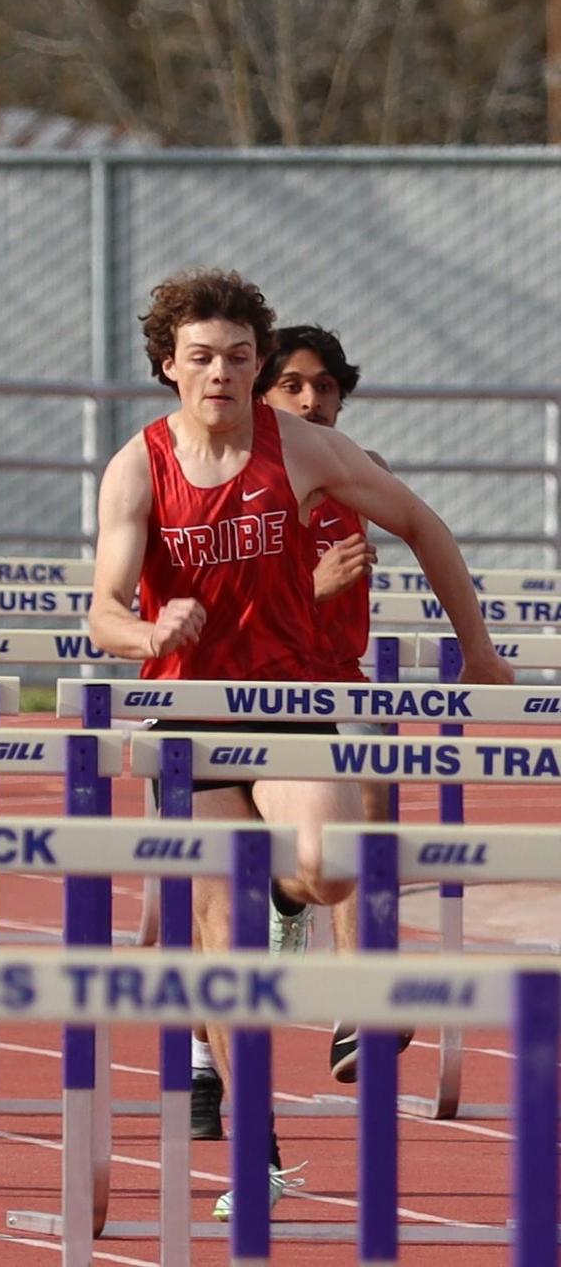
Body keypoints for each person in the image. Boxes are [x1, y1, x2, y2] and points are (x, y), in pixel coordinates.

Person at [86, 270, 510, 1219]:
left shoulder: (306, 447)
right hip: (188, 718)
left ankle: (283, 881)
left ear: (258, 364)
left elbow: (421, 523)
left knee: (328, 872)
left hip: (285, 709)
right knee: (218, 933)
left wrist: (476, 649)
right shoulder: (135, 466)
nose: (222, 374)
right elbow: (104, 611)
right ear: (169, 367)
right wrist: (148, 635)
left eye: (240, 357)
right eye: (202, 358)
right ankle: (252, 1145)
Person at [257, 324, 411, 1087]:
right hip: (255, 686)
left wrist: (478, 645)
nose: (311, 400)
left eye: (324, 386)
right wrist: (308, 584)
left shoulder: (361, 471)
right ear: (263, 393)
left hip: (339, 679)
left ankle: (360, 991)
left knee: (373, 784)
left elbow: (427, 527)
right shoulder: (240, 476)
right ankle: (285, 892)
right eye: (292, 384)